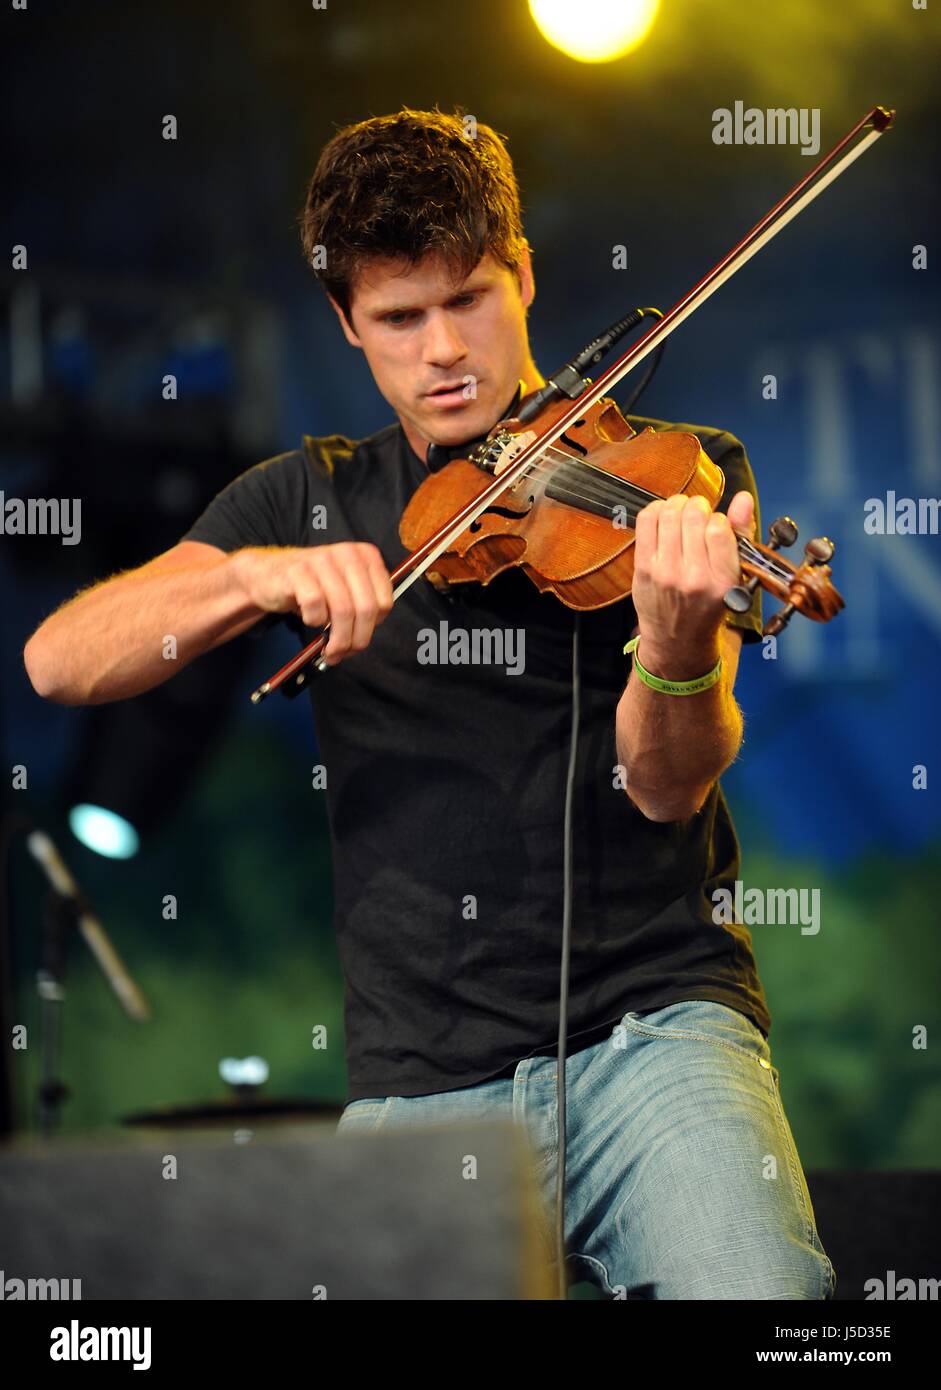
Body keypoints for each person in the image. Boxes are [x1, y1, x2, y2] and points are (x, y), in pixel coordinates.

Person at [23, 107, 834, 1300]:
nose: (442, 350)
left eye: (469, 300)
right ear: (348, 324)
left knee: (765, 1301)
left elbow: (666, 782)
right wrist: (252, 577)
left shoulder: (665, 478)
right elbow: (60, 661)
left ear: (524, 276)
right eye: (399, 318)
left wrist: (668, 640)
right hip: (418, 1073)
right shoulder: (305, 494)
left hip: (657, 1033)